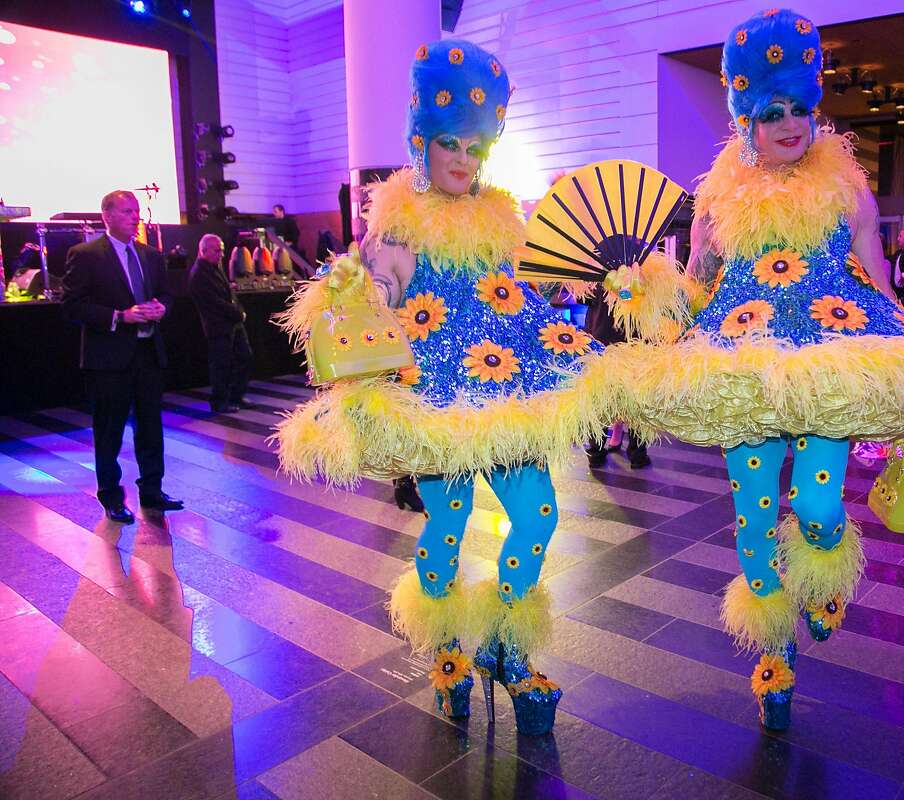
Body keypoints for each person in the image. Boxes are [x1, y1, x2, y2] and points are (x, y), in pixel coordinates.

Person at [637, 9, 904, 731]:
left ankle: (826, 571)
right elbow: (697, 285)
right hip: (742, 369)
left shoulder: (849, 189)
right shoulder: (716, 196)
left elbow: (878, 280)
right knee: (753, 518)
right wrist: (646, 291)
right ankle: (775, 652)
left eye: (799, 109)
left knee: (817, 506)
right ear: (745, 116)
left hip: (828, 365)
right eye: (771, 112)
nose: (789, 124)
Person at [275, 40, 618, 735]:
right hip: (437, 401)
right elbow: (383, 283)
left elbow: (517, 291)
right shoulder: (399, 222)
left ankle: (507, 644)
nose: (463, 160)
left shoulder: (498, 218)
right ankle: (448, 651)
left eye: (475, 148)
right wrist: (361, 291)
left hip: (509, 390)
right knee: (450, 521)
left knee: (539, 514)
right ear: (421, 142)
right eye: (450, 144)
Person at [62, 190, 185, 523]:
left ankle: (152, 491)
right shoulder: (86, 255)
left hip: (148, 353)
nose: (135, 217)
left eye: (136, 211)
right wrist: (119, 316)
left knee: (151, 428)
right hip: (109, 360)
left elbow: (166, 295)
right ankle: (112, 497)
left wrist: (161, 308)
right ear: (107, 216)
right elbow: (72, 306)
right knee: (109, 431)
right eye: (128, 211)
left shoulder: (150, 255)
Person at [583, 294, 650, 469]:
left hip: (601, 339)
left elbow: (582, 297)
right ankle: (637, 454)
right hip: (635, 339)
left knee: (599, 398)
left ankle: (596, 452)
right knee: (637, 398)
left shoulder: (597, 277)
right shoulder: (646, 275)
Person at [188, 234, 252, 413]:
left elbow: (227, 295)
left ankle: (236, 396)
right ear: (203, 251)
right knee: (221, 365)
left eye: (222, 250)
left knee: (244, 357)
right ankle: (220, 402)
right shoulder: (199, 274)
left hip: (232, 324)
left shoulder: (215, 267)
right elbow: (214, 303)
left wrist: (238, 311)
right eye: (217, 251)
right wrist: (238, 314)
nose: (222, 254)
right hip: (218, 327)